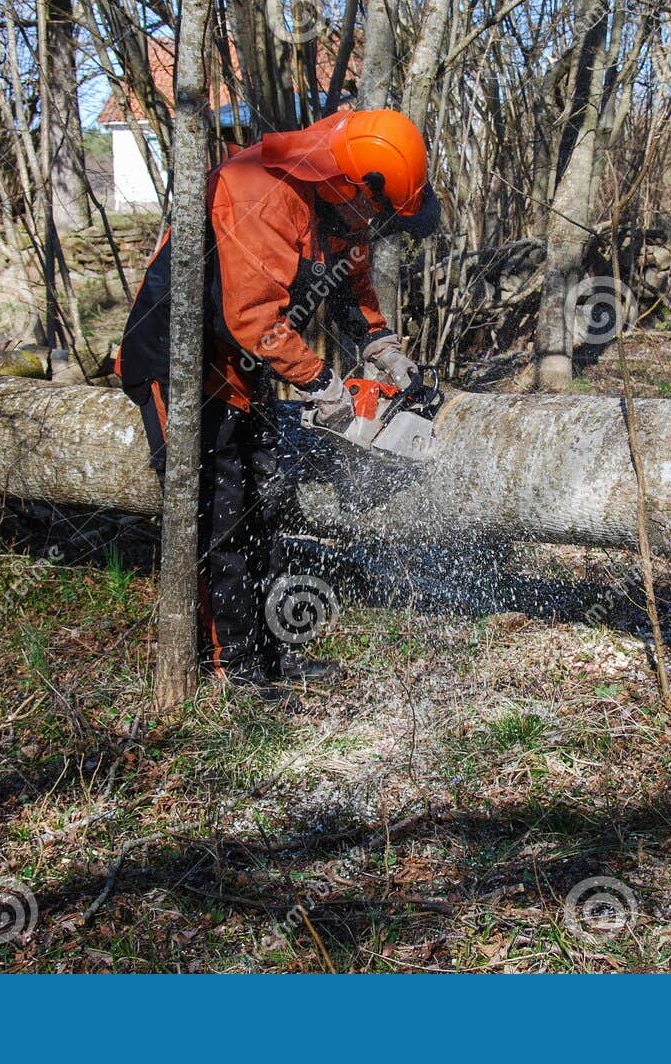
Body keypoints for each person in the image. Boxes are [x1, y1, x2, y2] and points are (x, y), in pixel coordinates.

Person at [117, 108, 439, 696]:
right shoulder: (258, 193)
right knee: (221, 516)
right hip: (180, 369)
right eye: (378, 213)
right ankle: (231, 667)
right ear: (356, 185)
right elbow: (252, 319)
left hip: (242, 371)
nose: (375, 225)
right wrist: (319, 381)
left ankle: (272, 653)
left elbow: (349, 277)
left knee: (269, 506)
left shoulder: (333, 194)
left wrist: (381, 344)